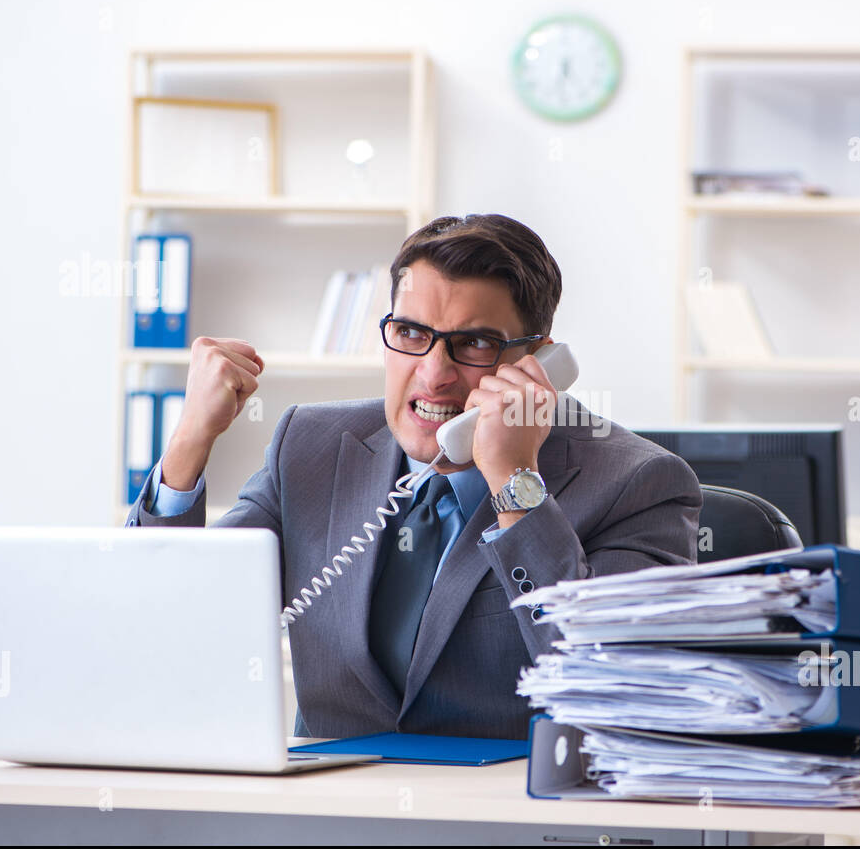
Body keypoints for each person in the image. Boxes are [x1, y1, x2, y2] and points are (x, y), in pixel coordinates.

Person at [126, 214, 702, 739]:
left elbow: (613, 685)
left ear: (539, 364)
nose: (434, 374)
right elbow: (169, 625)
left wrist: (514, 483)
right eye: (409, 334)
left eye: (474, 344)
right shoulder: (311, 447)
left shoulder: (640, 482)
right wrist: (188, 443)